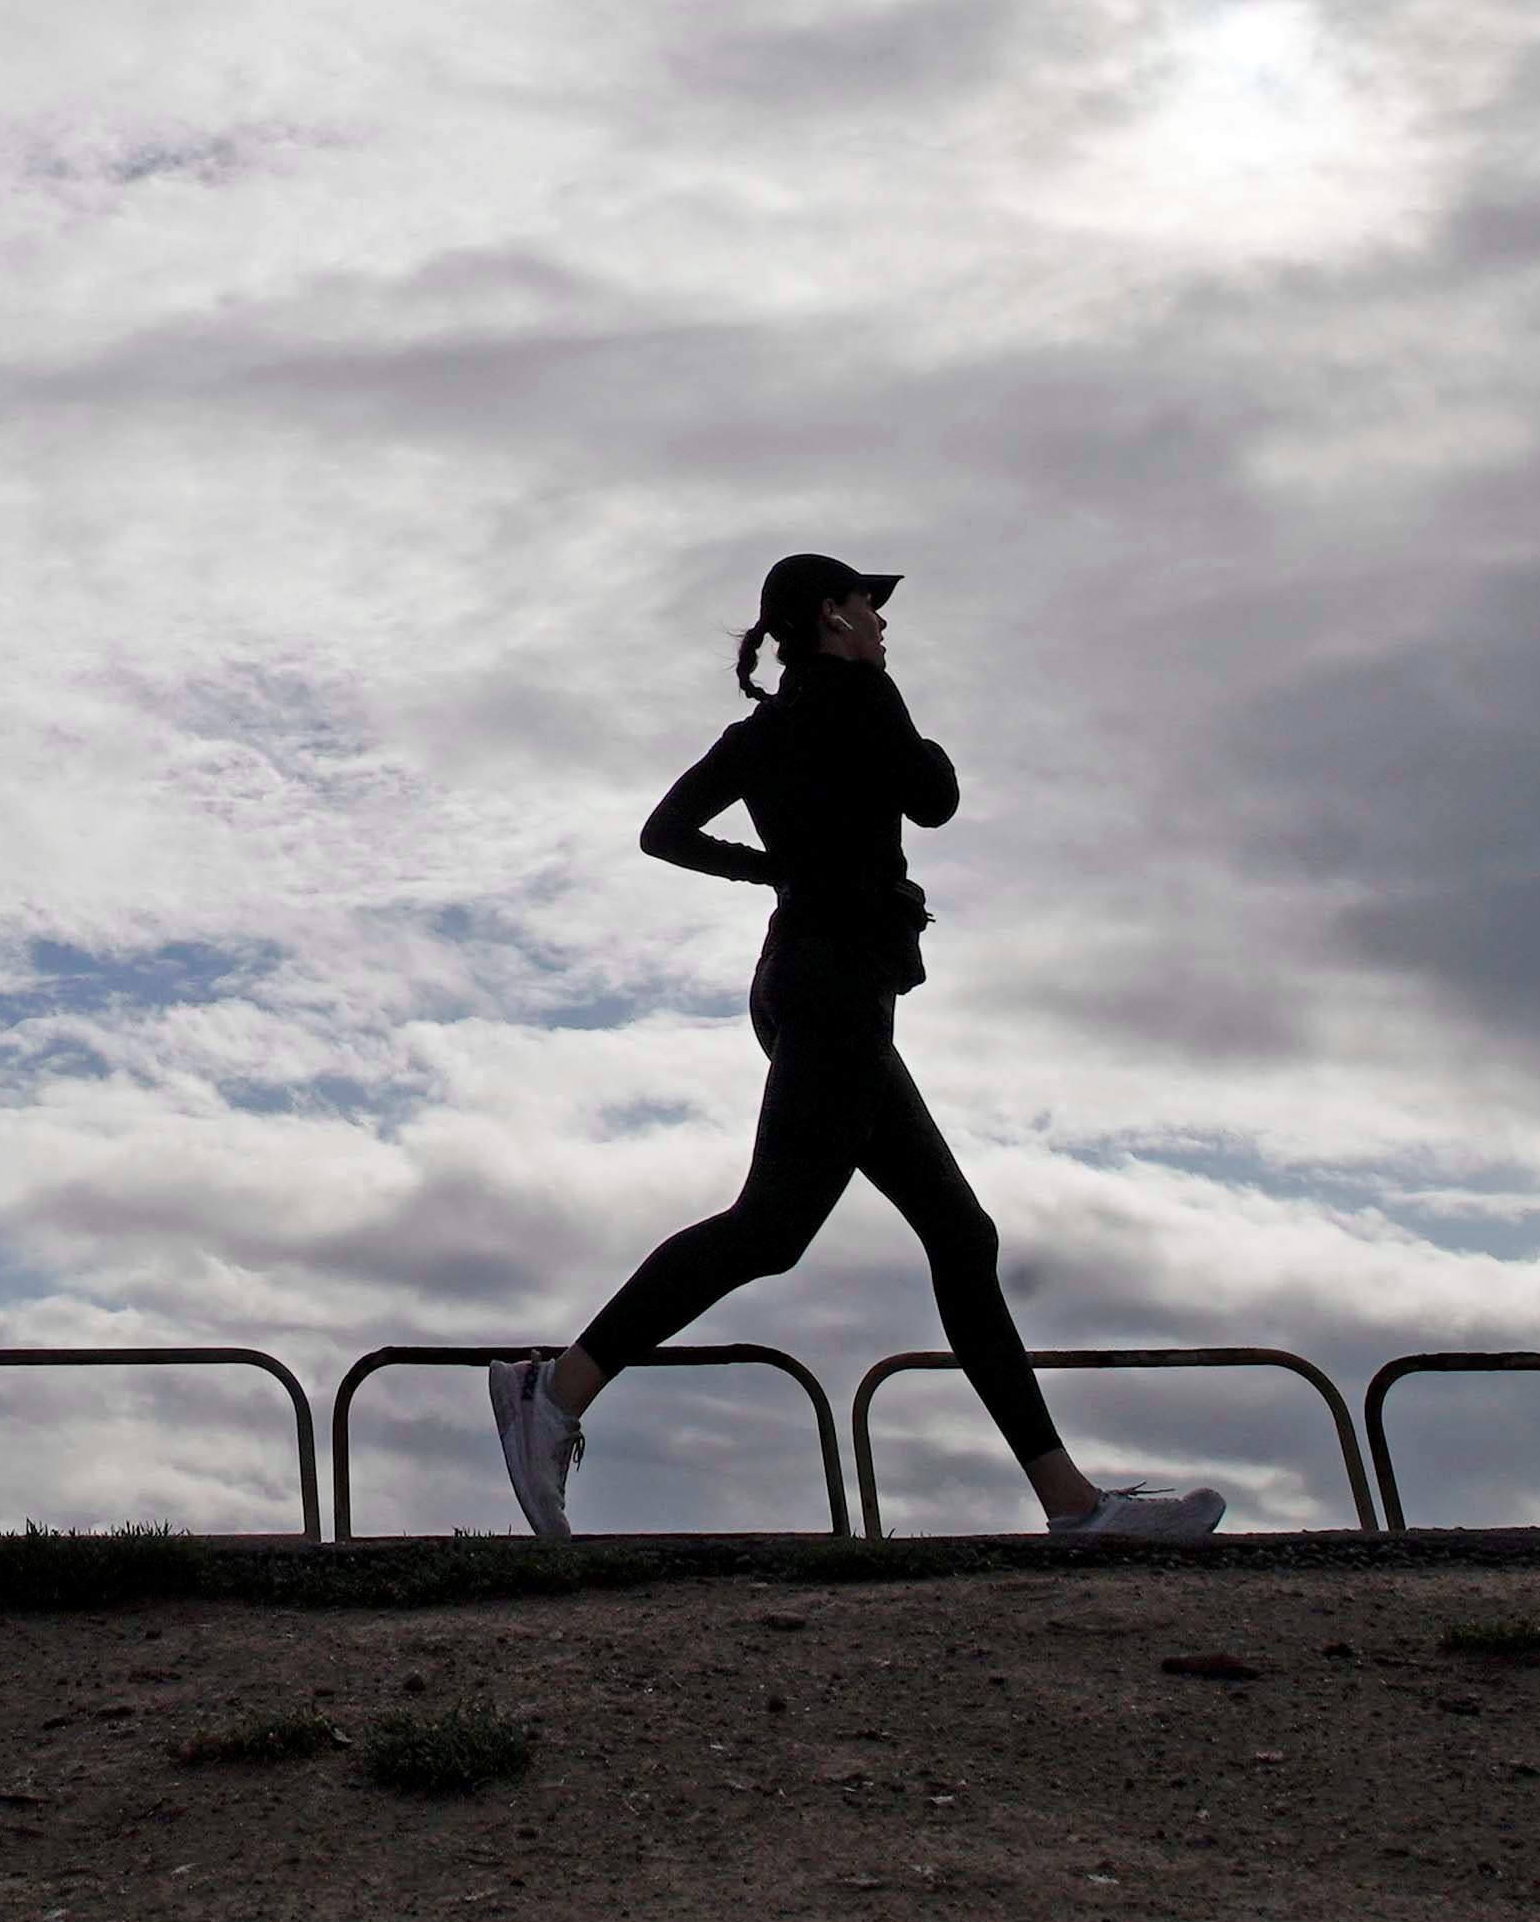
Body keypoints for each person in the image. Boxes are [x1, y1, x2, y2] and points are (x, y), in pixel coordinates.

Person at [485, 557, 1225, 1543]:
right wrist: (903, 744)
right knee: (770, 1229)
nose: (883, 624)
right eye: (870, 608)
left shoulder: (760, 731)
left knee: (960, 1238)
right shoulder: (861, 692)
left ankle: (1070, 1504)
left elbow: (663, 833)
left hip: (802, 983)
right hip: (833, 993)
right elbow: (933, 798)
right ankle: (555, 1389)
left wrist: (775, 870)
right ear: (833, 616)